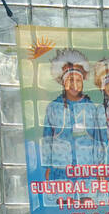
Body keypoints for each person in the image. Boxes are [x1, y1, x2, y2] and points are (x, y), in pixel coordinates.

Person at [41, 48, 105, 178]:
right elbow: (47, 138)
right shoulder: (53, 107)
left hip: (86, 166)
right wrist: (48, 167)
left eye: (78, 80)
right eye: (70, 80)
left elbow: (98, 138)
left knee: (87, 198)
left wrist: (100, 165)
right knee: (62, 198)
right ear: (63, 82)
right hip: (60, 167)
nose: (74, 85)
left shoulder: (91, 108)